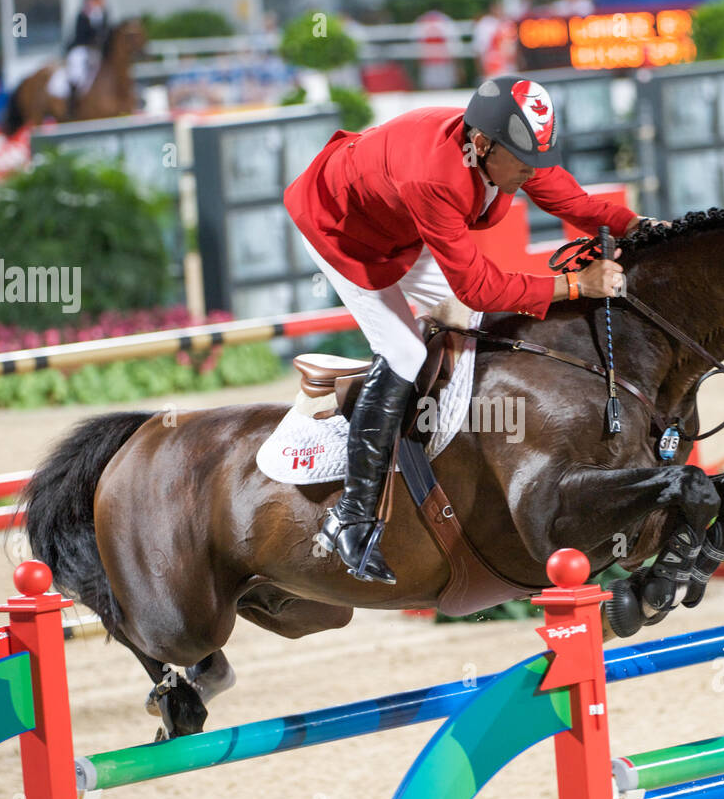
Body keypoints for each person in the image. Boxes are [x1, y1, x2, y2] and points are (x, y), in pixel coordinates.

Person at [284, 75, 667, 583]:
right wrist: (576, 286)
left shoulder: (503, 150)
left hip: (398, 223)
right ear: (481, 144)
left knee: (469, 330)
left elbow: (574, 202)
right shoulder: (435, 177)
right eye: (525, 164)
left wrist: (638, 226)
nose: (534, 173)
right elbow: (479, 289)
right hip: (339, 228)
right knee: (404, 351)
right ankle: (350, 516)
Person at [48, 0, 110, 104]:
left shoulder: (104, 13)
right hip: (82, 48)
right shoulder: (84, 13)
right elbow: (81, 35)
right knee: (77, 73)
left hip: (97, 51)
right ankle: (73, 101)